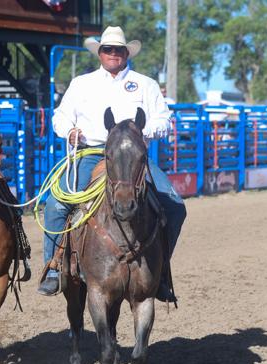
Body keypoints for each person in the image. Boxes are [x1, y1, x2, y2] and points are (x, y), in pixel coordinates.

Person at [37, 26, 186, 302]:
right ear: (100, 53)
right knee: (56, 206)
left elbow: (163, 120)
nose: (113, 54)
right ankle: (54, 267)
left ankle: (161, 272)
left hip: (133, 155)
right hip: (92, 152)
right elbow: (60, 117)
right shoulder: (82, 84)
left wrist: (145, 132)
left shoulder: (146, 84)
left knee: (175, 207)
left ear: (126, 53)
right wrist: (69, 131)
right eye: (108, 49)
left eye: (118, 49)